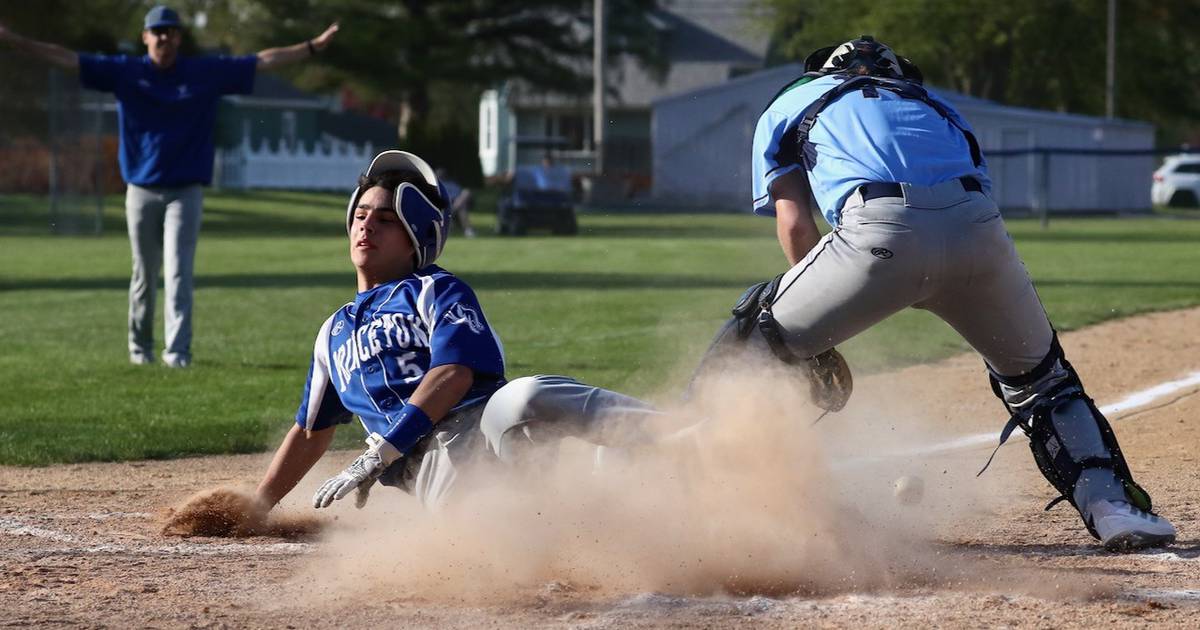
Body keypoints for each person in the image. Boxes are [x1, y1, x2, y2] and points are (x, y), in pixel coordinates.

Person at [700, 36, 1175, 550]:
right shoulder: (940, 108)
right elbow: (960, 202)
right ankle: (1114, 508)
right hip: (980, 233)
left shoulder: (794, 99)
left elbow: (795, 224)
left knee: (755, 340)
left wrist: (813, 335)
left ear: (824, 71)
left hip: (876, 234)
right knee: (1044, 383)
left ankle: (679, 471)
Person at [252, 150, 658, 513]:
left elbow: (453, 373)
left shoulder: (435, 289)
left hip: (483, 431)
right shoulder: (332, 332)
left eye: (386, 219)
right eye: (361, 216)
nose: (367, 226)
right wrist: (259, 505)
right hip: (434, 475)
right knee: (489, 536)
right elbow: (309, 433)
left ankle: (681, 435)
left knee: (523, 398)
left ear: (416, 237)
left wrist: (380, 453)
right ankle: (616, 493)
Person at [0, 6, 339, 367]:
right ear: (145, 37)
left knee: (178, 271)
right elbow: (66, 59)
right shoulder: (126, 72)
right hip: (141, 189)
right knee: (143, 273)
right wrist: (15, 41)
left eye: (170, 31)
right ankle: (139, 349)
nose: (163, 37)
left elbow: (262, 61)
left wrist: (312, 47)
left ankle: (177, 353)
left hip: (185, 190)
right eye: (156, 31)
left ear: (178, 37)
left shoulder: (202, 73)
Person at [435, 168, 477, 238]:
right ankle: (468, 229)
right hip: (445, 205)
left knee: (466, 193)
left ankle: (468, 230)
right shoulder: (435, 185)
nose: (441, 174)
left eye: (442, 173)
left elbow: (459, 194)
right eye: (438, 173)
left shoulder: (452, 183)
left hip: (456, 203)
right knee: (461, 208)